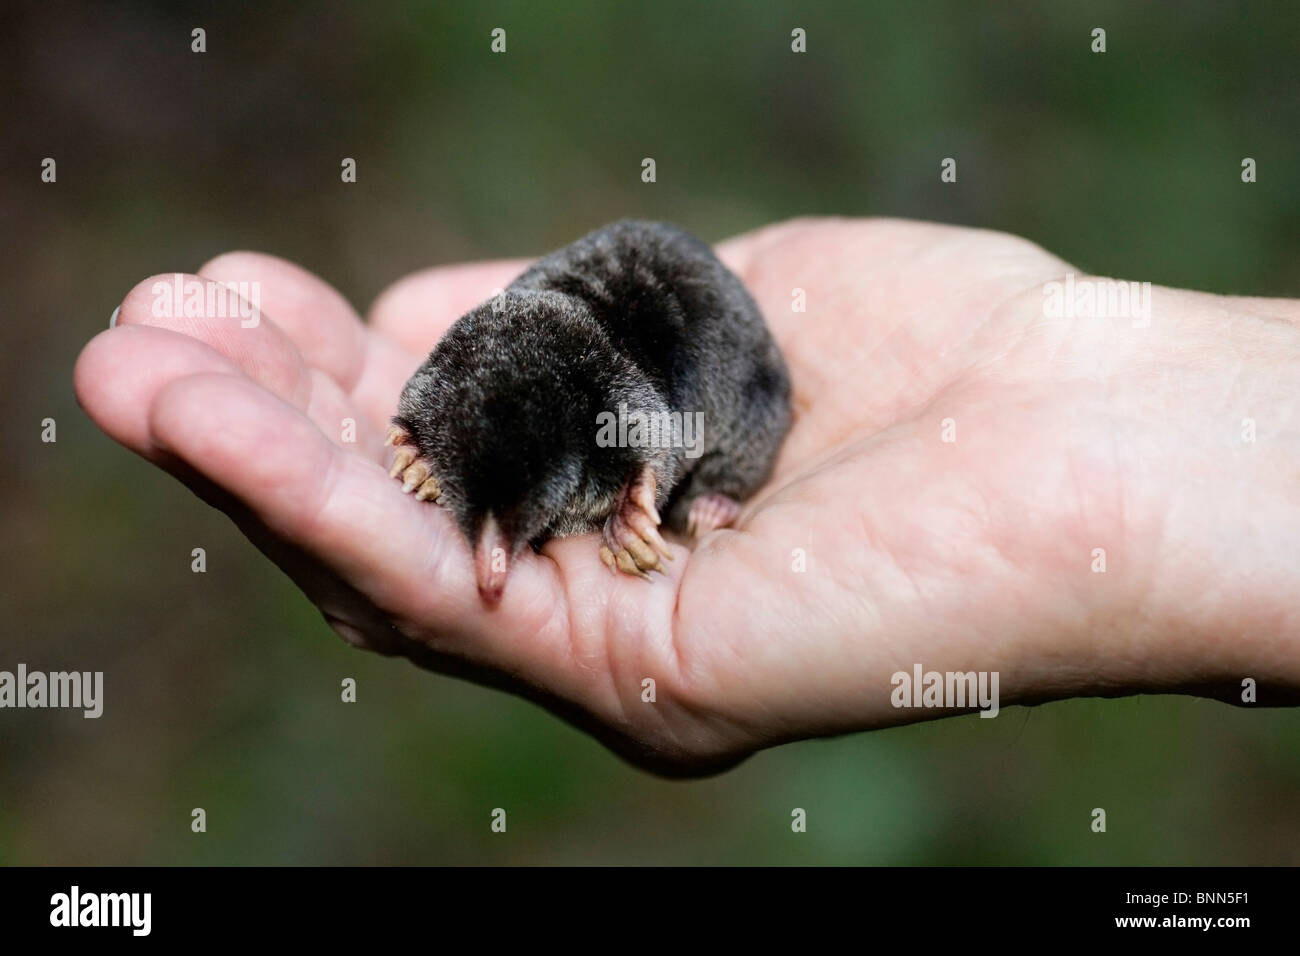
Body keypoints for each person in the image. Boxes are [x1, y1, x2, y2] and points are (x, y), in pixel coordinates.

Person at [73, 217, 1300, 775]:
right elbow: (450, 385)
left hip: (701, 363)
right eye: (489, 533)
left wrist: (648, 488)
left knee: (717, 430)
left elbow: (646, 422)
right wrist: (436, 454)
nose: (492, 572)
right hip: (564, 350)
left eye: (504, 537)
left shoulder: (621, 400)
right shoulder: (472, 369)